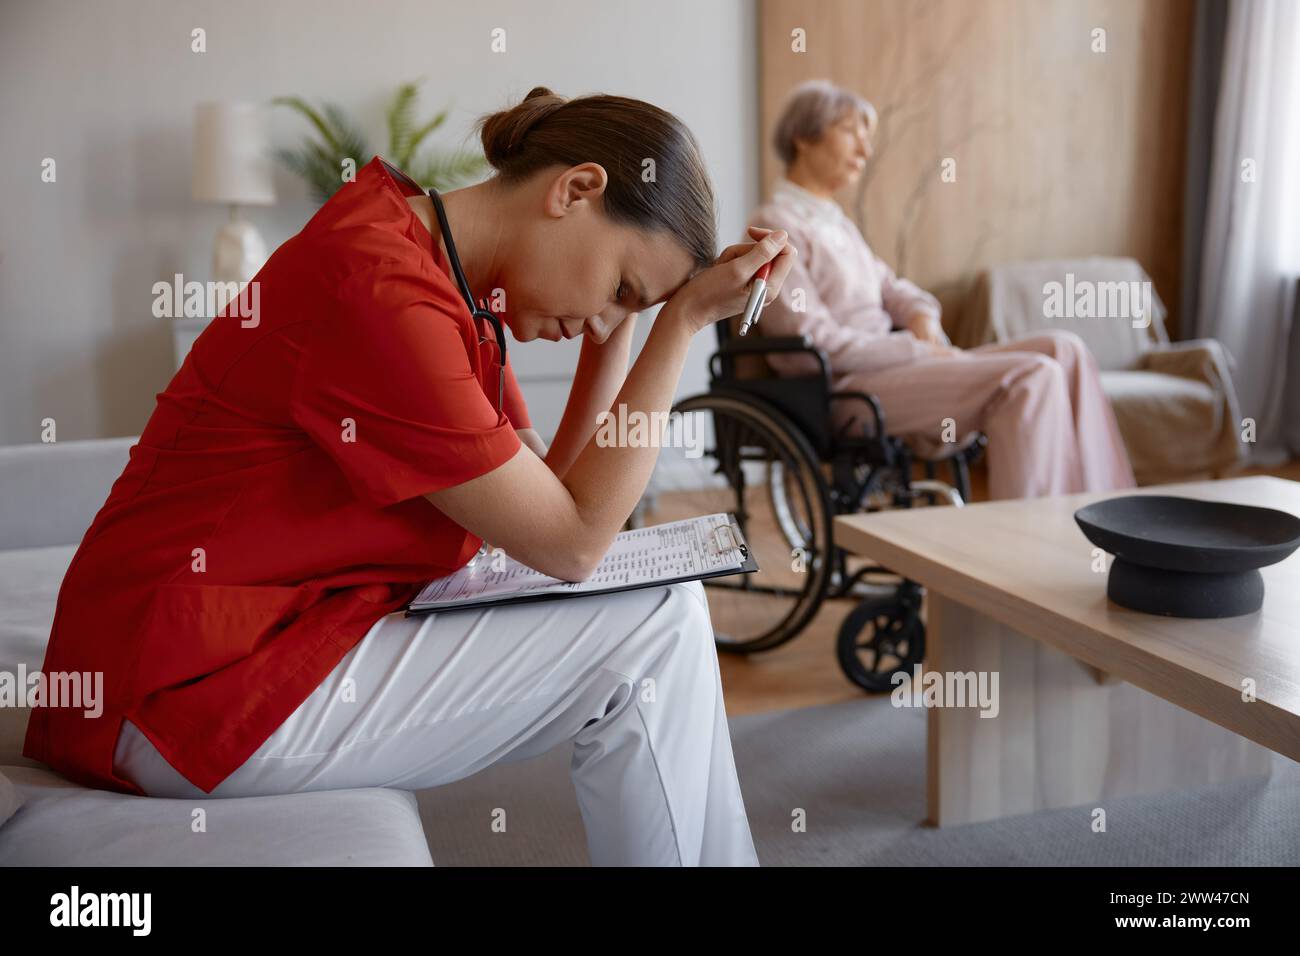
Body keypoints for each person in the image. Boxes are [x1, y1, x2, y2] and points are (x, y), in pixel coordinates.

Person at [23, 86, 797, 867]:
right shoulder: (379, 291)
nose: (603, 321)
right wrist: (683, 322)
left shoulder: (443, 274)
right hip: (179, 697)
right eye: (621, 291)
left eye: (629, 307)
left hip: (252, 652)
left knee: (663, 611)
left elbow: (544, 502)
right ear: (576, 190)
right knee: (654, 621)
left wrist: (632, 322)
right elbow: (572, 543)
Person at [748, 79, 1136, 499]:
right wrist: (916, 349)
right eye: (850, 132)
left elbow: (896, 289)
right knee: (1032, 375)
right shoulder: (777, 227)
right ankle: (1033, 543)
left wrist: (921, 318)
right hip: (850, 389)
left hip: (904, 366)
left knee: (1065, 349)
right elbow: (808, 346)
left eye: (867, 137)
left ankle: (1102, 509)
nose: (865, 149)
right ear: (803, 137)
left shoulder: (837, 224)